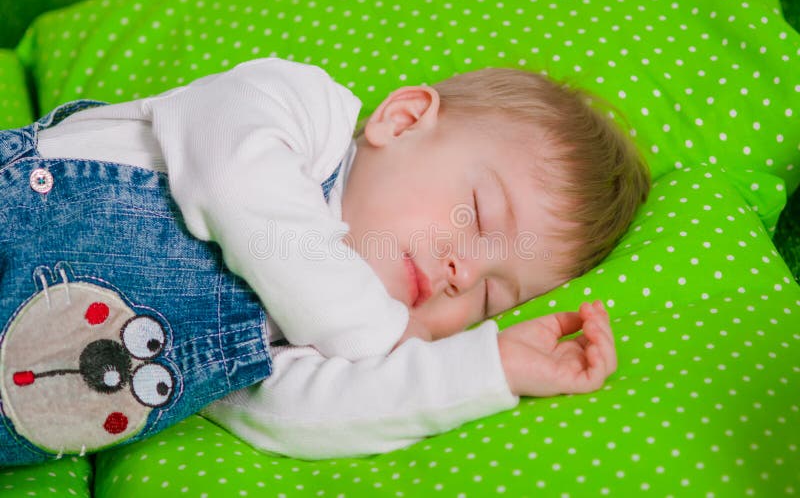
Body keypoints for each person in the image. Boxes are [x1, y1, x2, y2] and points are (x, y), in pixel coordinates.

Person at [0, 58, 648, 464]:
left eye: (489, 300)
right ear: (403, 119)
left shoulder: (303, 338)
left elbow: (298, 415)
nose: (464, 273)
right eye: (475, 216)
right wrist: (381, 336)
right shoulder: (298, 112)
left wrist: (488, 367)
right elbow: (235, 183)